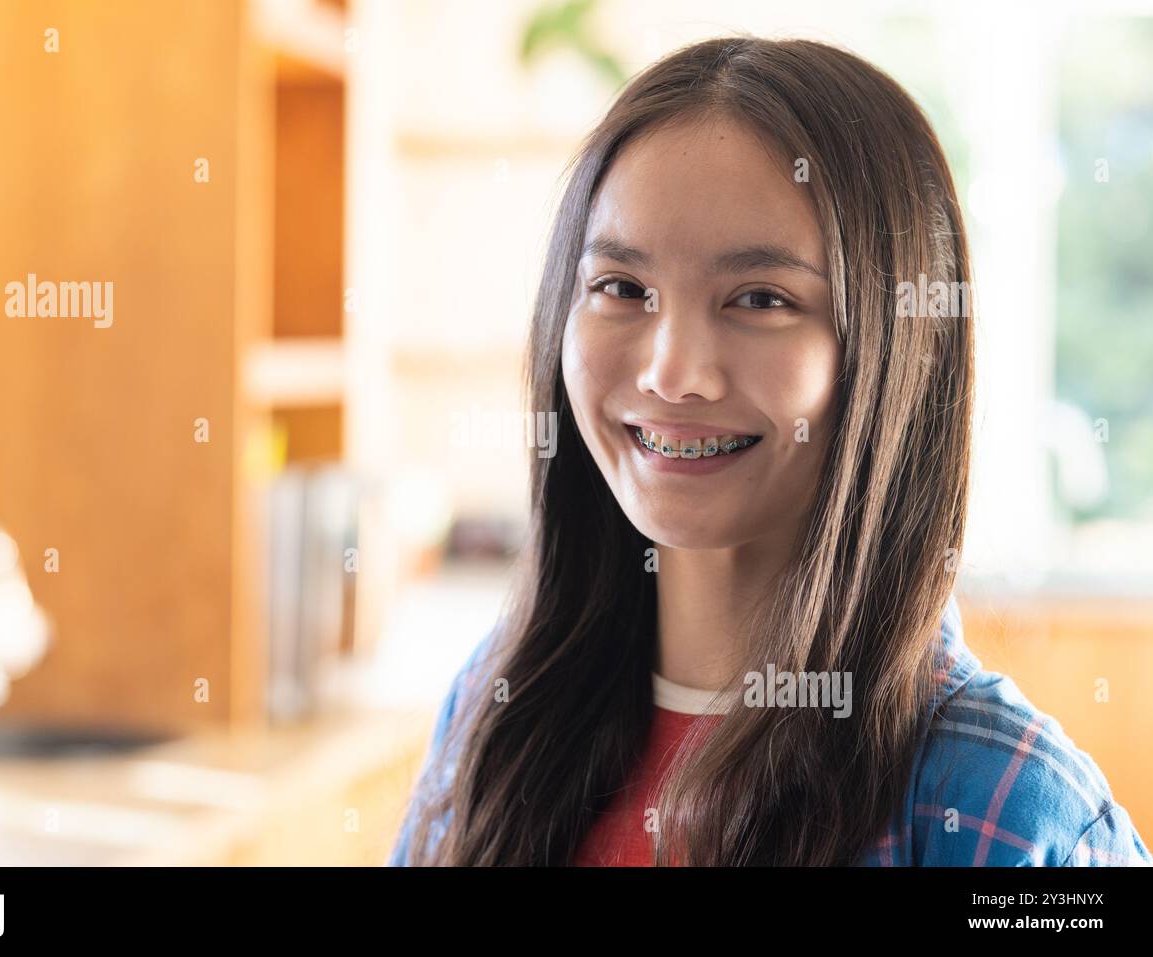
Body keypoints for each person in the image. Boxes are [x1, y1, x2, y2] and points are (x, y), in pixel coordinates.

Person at [389, 36, 1151, 866]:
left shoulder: (1010, 809)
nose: (672, 371)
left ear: (899, 353)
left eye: (760, 298)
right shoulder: (492, 713)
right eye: (622, 288)